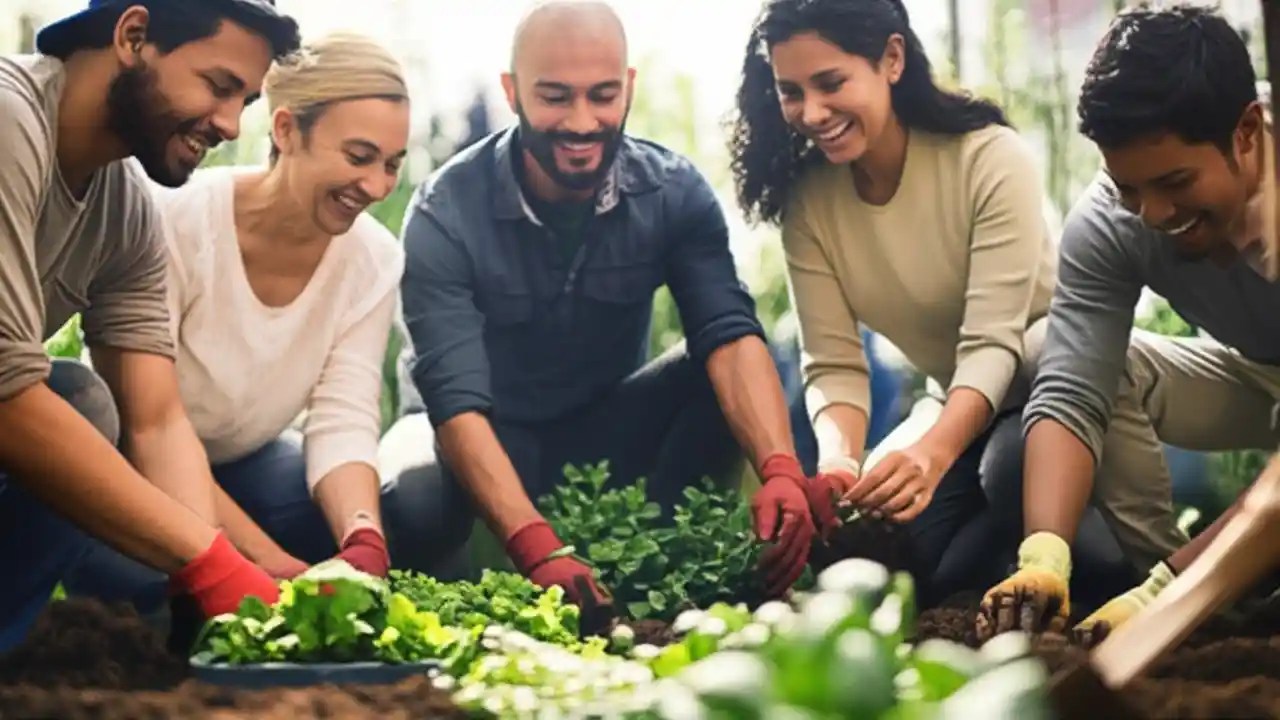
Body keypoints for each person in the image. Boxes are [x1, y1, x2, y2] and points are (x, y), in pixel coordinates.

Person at [382, 0, 834, 618]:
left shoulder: (673, 193)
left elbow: (728, 331)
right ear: (513, 92)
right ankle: (447, 604)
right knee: (412, 497)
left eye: (601, 95)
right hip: (471, 438)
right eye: (555, 97)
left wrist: (781, 469)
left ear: (627, 88)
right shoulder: (445, 213)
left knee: (724, 362)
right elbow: (455, 406)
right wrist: (535, 545)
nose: (581, 120)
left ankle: (665, 583)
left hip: (600, 432)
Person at [729, 0, 1132, 607]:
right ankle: (993, 570)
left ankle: (1117, 569)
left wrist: (933, 452)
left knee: (1009, 467)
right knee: (884, 542)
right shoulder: (810, 202)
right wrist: (840, 466)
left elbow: (994, 344)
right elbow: (834, 365)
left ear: (891, 59)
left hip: (1060, 392)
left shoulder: (987, 157)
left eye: (831, 82)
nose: (811, 112)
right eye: (791, 91)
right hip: (960, 407)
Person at [60, 31, 409, 614]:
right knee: (150, 581)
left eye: (393, 165)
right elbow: (150, 424)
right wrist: (266, 561)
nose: (375, 187)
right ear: (285, 130)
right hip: (134, 461)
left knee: (325, 510)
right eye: (358, 157)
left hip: (246, 461)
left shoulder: (373, 259)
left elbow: (343, 416)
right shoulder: (177, 219)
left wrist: (362, 537)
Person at [0, 0, 300, 652]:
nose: (227, 124)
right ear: (133, 36)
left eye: (244, 102)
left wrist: (235, 575)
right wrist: (209, 562)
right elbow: (8, 401)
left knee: (84, 403)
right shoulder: (7, 119)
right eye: (218, 86)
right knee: (64, 404)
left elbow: (155, 420)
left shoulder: (125, 209)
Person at [977, 4, 1280, 643]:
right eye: (1129, 187)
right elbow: (1072, 389)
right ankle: (1165, 588)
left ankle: (1184, 590)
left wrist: (1179, 589)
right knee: (1054, 351)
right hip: (1262, 377)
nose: (1152, 213)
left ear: (1247, 131)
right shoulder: (1114, 220)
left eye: (1174, 181)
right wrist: (1044, 555)